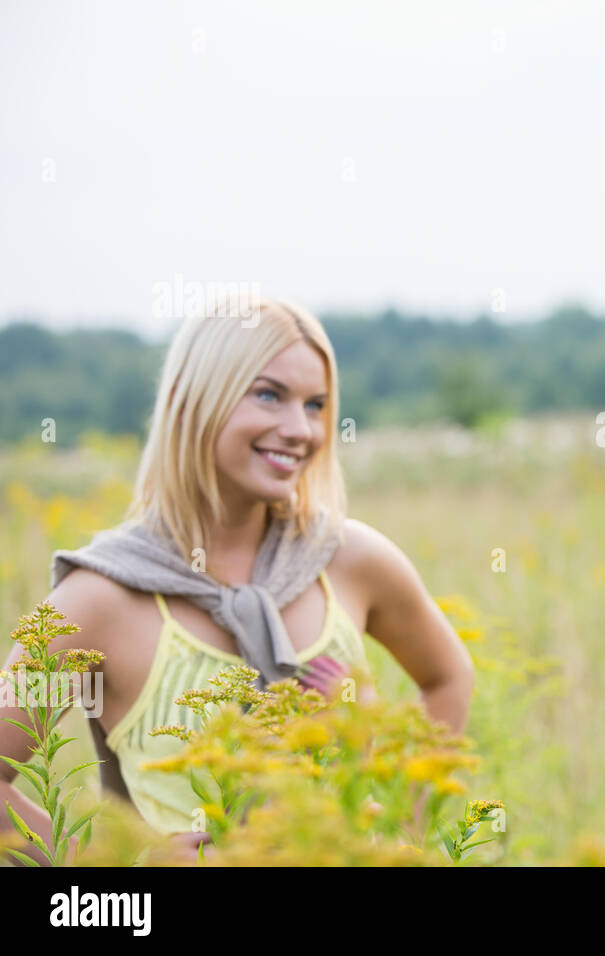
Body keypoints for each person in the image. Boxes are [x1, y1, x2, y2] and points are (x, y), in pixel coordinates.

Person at [0, 298, 475, 859]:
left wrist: (403, 832)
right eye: (268, 395)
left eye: (317, 404)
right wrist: (115, 868)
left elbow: (448, 678)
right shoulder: (96, 603)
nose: (300, 429)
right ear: (193, 401)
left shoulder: (351, 561)